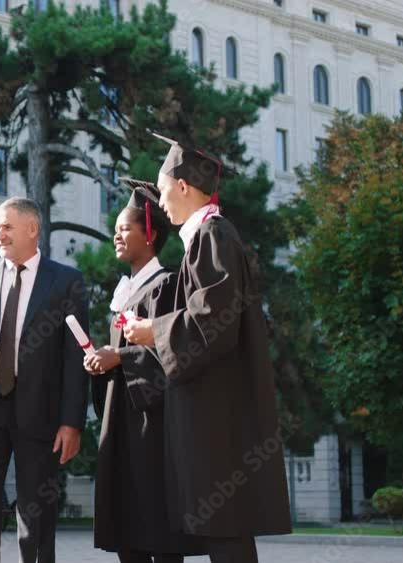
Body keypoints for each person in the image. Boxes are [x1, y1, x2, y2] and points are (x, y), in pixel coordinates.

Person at [123, 134, 291, 563]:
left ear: (182, 186)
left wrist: (152, 332)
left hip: (219, 416)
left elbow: (213, 322)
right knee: (220, 529)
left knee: (225, 530)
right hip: (211, 410)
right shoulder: (204, 240)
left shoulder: (214, 236)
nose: (159, 204)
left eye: (161, 192)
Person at [0, 196, 90, 563]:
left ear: (32, 229)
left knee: (36, 512)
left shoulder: (67, 282)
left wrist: (72, 422)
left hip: (40, 415)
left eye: (7, 226)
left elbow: (75, 359)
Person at [86, 181, 205, 563]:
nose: (116, 236)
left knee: (157, 527)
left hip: (155, 431)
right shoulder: (126, 293)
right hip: (123, 423)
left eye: (125, 229)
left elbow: (176, 352)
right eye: (116, 229)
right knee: (128, 531)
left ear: (150, 234)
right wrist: (100, 361)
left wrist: (120, 357)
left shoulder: (168, 285)